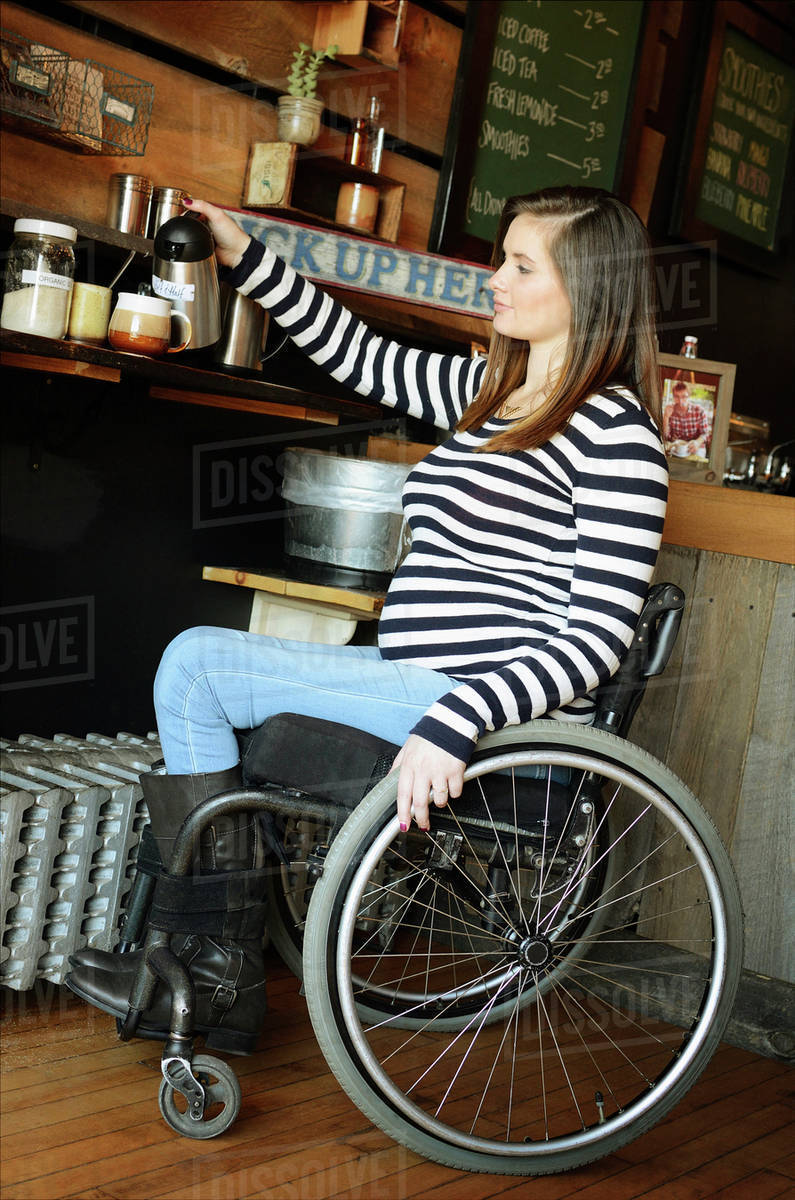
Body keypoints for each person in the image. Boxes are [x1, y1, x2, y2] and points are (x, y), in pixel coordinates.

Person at [66, 186, 669, 1052]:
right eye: (500, 259)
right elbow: (359, 354)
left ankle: (210, 971)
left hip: (478, 707)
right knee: (197, 669)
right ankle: (206, 965)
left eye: (521, 266)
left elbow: (599, 635)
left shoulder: (616, 434)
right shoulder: (491, 391)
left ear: (589, 286)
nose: (495, 280)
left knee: (197, 667)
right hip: (414, 682)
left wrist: (457, 717)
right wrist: (244, 256)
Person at [663, 380, 710, 457]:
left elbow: (705, 434)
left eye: (684, 396)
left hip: (696, 447)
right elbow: (665, 436)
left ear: (689, 396)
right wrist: (666, 417)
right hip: (677, 446)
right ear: (673, 397)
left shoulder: (699, 411)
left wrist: (698, 442)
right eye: (677, 397)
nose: (680, 401)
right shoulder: (670, 410)